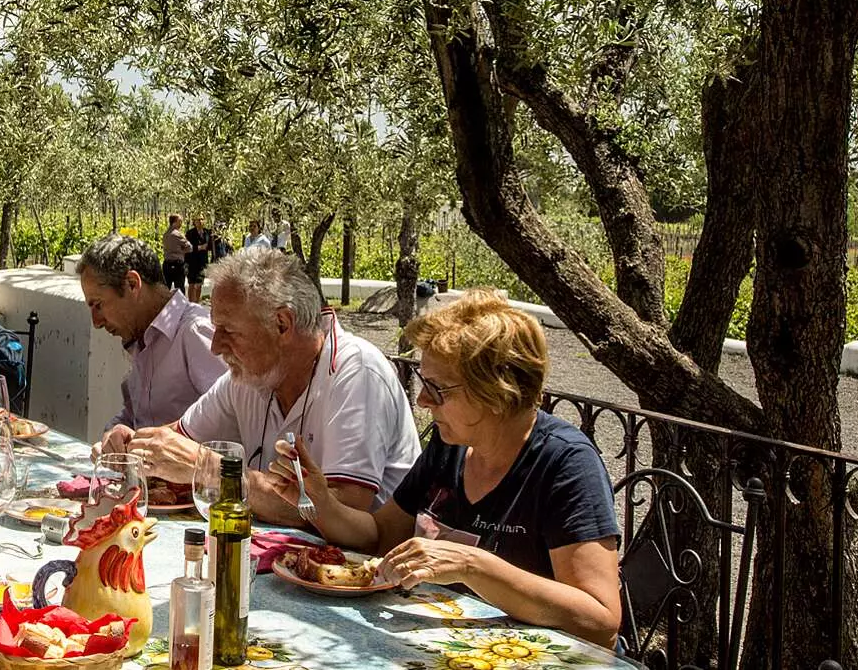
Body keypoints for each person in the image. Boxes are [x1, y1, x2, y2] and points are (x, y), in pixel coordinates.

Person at [275, 290, 621, 647]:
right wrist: (320, 501)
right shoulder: (451, 446)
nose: (423, 401)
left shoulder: (566, 463)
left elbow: (599, 619)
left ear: (495, 391)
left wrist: (472, 565)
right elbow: (380, 537)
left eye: (437, 389)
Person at [99, 248, 420, 526]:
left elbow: (342, 510)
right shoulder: (252, 376)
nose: (215, 346)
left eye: (228, 330)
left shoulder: (356, 372)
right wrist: (133, 444)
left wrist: (211, 469)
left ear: (282, 324)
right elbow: (176, 441)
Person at [77, 234, 228, 431]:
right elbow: (137, 418)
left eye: (98, 305)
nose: (96, 322)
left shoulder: (194, 331)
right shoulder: (142, 337)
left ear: (132, 284)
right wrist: (115, 432)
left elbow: (233, 422)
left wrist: (180, 444)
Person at [160, 214, 192, 294]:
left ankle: (165, 306)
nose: (181, 223)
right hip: (177, 265)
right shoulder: (177, 234)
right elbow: (190, 247)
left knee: (166, 289)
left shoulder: (165, 234)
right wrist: (181, 251)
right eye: (180, 221)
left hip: (166, 264)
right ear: (174, 222)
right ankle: (180, 306)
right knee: (180, 290)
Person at [185, 215, 212, 303]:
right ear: (194, 221)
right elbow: (187, 248)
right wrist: (199, 247)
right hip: (192, 261)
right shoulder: (190, 233)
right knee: (191, 284)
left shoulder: (208, 232)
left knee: (199, 284)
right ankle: (190, 303)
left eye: (202, 219)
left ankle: (196, 303)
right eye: (198, 220)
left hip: (202, 262)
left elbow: (210, 246)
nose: (200, 221)